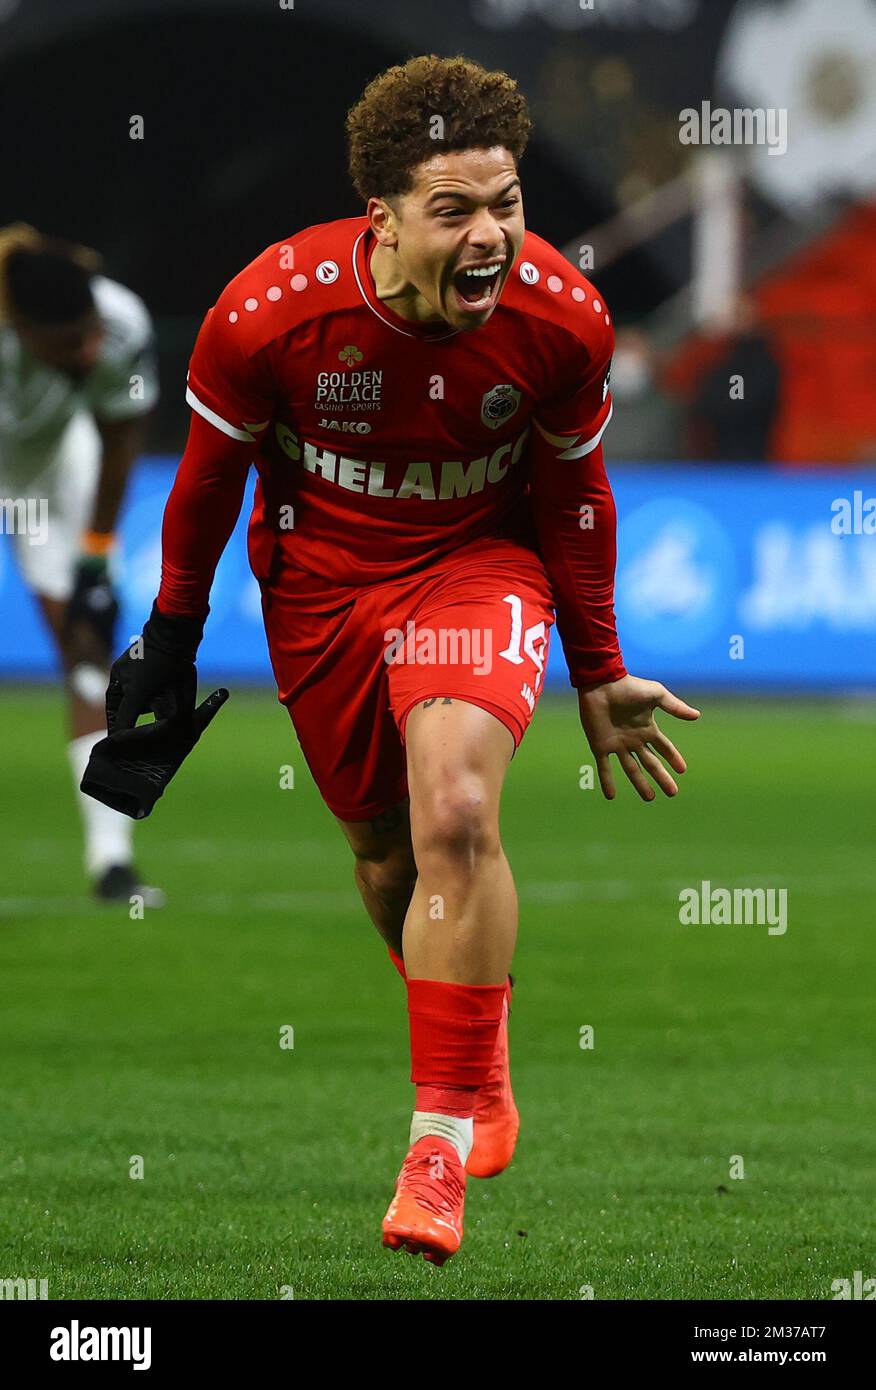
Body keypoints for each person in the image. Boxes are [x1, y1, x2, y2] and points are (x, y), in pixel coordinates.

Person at [101, 56, 699, 1263]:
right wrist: (170, 636)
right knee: (384, 860)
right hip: (319, 589)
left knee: (460, 814)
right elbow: (208, 480)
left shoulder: (560, 317)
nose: (494, 237)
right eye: (456, 211)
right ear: (381, 217)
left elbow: (576, 495)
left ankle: (434, 1152)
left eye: (509, 203)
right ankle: (481, 1056)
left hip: (480, 566)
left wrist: (599, 666)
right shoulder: (272, 312)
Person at [0, 224, 162, 903]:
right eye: (70, 345)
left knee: (89, 652)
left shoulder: (119, 320)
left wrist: (96, 555)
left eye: (91, 332)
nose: (92, 349)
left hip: (44, 475)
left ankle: (110, 863)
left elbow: (120, 437)